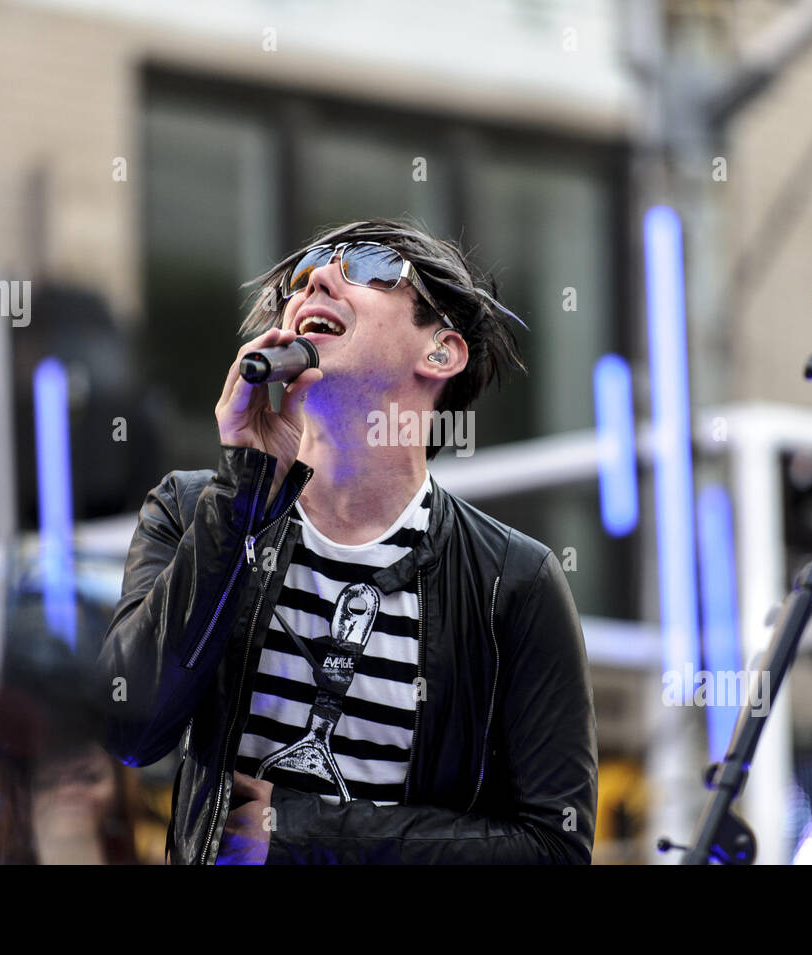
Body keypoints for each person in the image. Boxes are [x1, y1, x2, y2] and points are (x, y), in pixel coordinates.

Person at [99, 217, 597, 864]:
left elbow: (555, 849)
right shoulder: (194, 509)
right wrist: (241, 496)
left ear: (441, 352)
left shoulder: (513, 581)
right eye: (304, 271)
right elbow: (130, 728)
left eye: (365, 264)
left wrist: (308, 830)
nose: (316, 278)